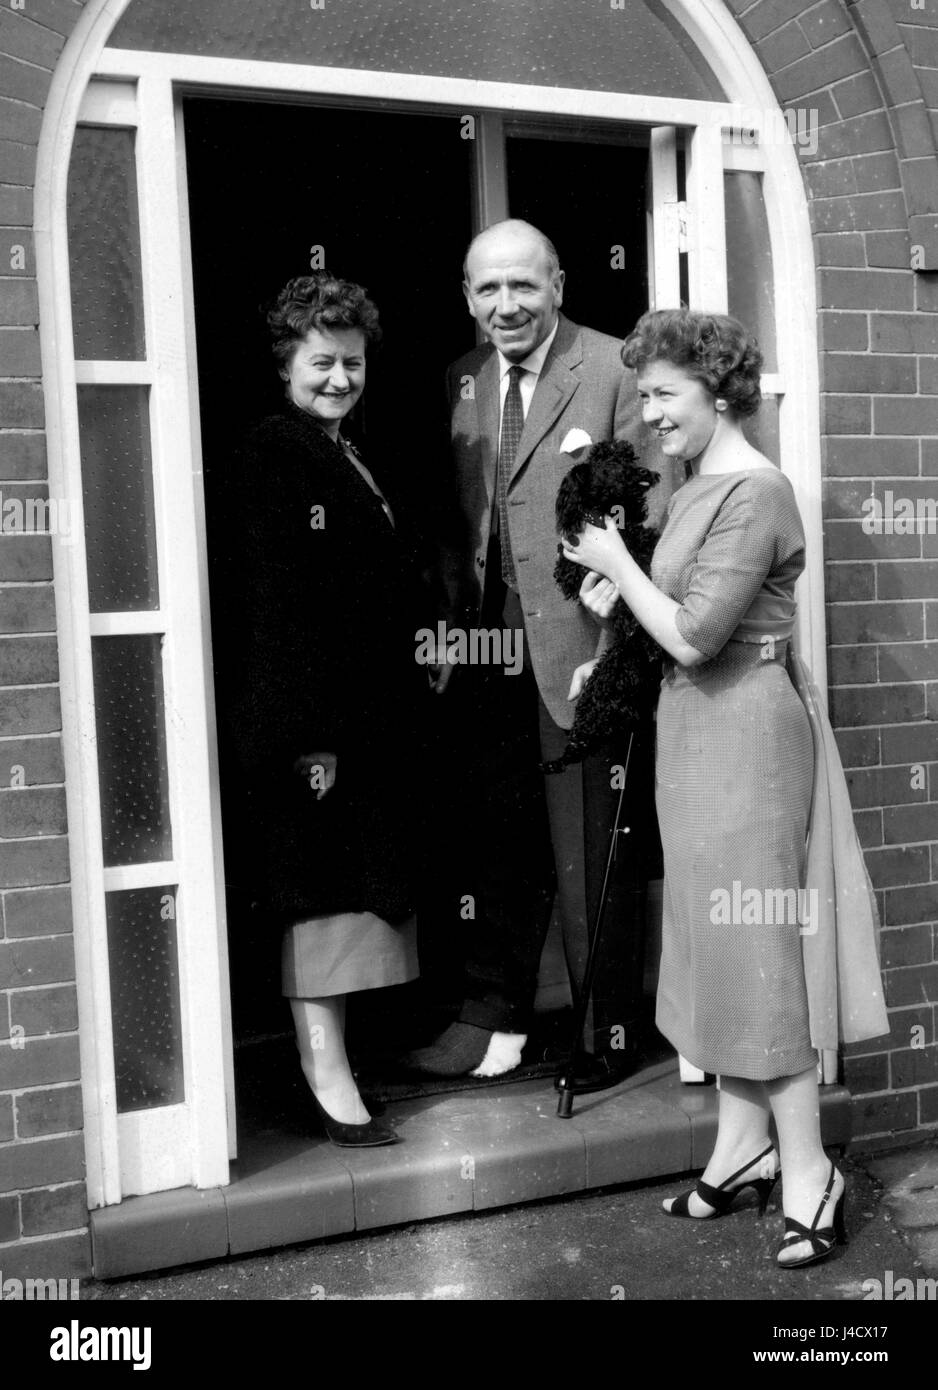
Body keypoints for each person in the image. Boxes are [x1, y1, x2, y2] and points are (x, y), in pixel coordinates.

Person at [561, 307, 888, 1269]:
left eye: (664, 394)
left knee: (755, 946)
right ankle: (741, 1148)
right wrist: (611, 620)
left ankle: (809, 1170)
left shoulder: (760, 491)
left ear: (719, 391)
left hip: (746, 731)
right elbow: (673, 622)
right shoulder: (697, 484)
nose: (648, 414)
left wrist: (619, 560)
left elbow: (702, 635)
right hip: (697, 731)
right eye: (645, 396)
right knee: (714, 940)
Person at [406, 219, 664, 1082]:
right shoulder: (464, 377)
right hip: (486, 650)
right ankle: (496, 1016)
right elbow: (468, 519)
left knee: (590, 841)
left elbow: (651, 508)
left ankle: (607, 1037)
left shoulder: (613, 366)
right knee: (496, 838)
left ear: (557, 284)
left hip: (578, 643)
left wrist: (618, 624)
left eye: (523, 285)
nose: (506, 305)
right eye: (488, 289)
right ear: (468, 298)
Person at [229, 272, 427, 1146]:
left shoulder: (342, 450)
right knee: (317, 894)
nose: (340, 377)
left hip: (361, 718)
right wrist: (312, 737)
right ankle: (325, 1074)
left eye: (351, 362)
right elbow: (281, 605)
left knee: (347, 890)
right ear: (286, 366)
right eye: (322, 362)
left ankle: (337, 1065)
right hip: (312, 723)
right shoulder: (278, 450)